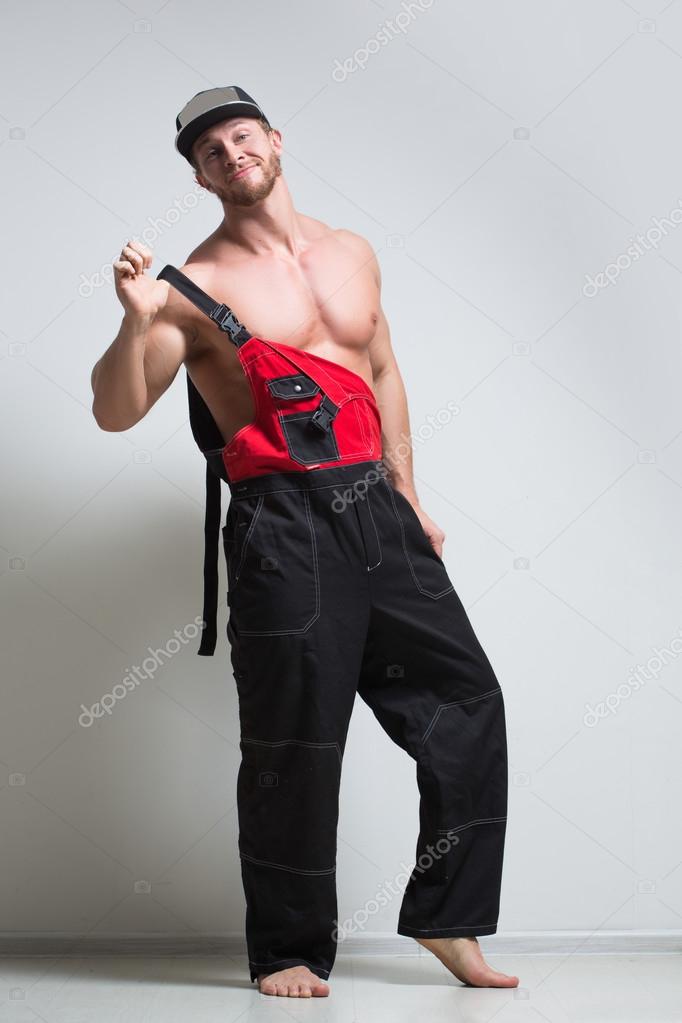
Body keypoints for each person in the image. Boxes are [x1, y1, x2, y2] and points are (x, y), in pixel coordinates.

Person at [91, 86, 518, 998]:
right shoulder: (188, 289)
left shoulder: (351, 252)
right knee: (295, 741)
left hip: (379, 510)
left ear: (275, 140)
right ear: (202, 177)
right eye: (211, 151)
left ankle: (447, 917)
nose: (232, 153)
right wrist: (134, 319)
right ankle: (286, 946)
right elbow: (115, 411)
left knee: (468, 702)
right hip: (283, 521)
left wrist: (409, 494)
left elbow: (383, 369)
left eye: (242, 135)